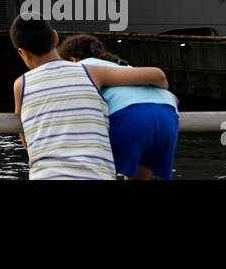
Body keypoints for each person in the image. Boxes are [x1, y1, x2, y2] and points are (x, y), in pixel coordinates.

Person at [10, 15, 169, 180]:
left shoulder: (21, 84)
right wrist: (163, 89)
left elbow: (26, 136)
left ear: (23, 52)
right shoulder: (90, 72)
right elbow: (157, 76)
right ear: (56, 37)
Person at [59, 33, 180, 181]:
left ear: (72, 59)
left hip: (129, 117)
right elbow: (173, 98)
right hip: (167, 116)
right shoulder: (123, 66)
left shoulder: (80, 67)